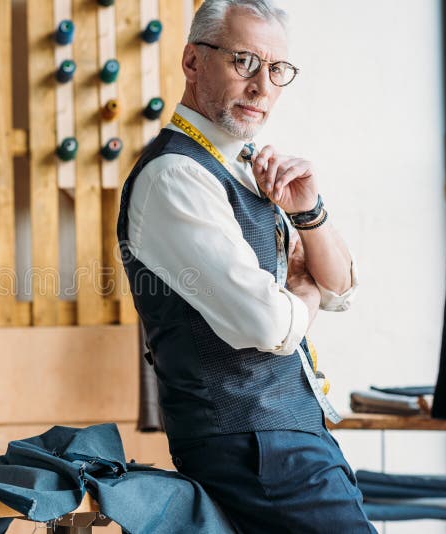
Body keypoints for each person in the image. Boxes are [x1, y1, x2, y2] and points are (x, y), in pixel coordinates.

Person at [117, 0, 375, 531]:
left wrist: (309, 212)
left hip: (289, 437)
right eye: (244, 62)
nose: (262, 86)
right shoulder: (175, 177)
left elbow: (343, 287)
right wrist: (302, 288)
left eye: (277, 69)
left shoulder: (244, 170)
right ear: (192, 61)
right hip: (252, 445)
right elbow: (269, 325)